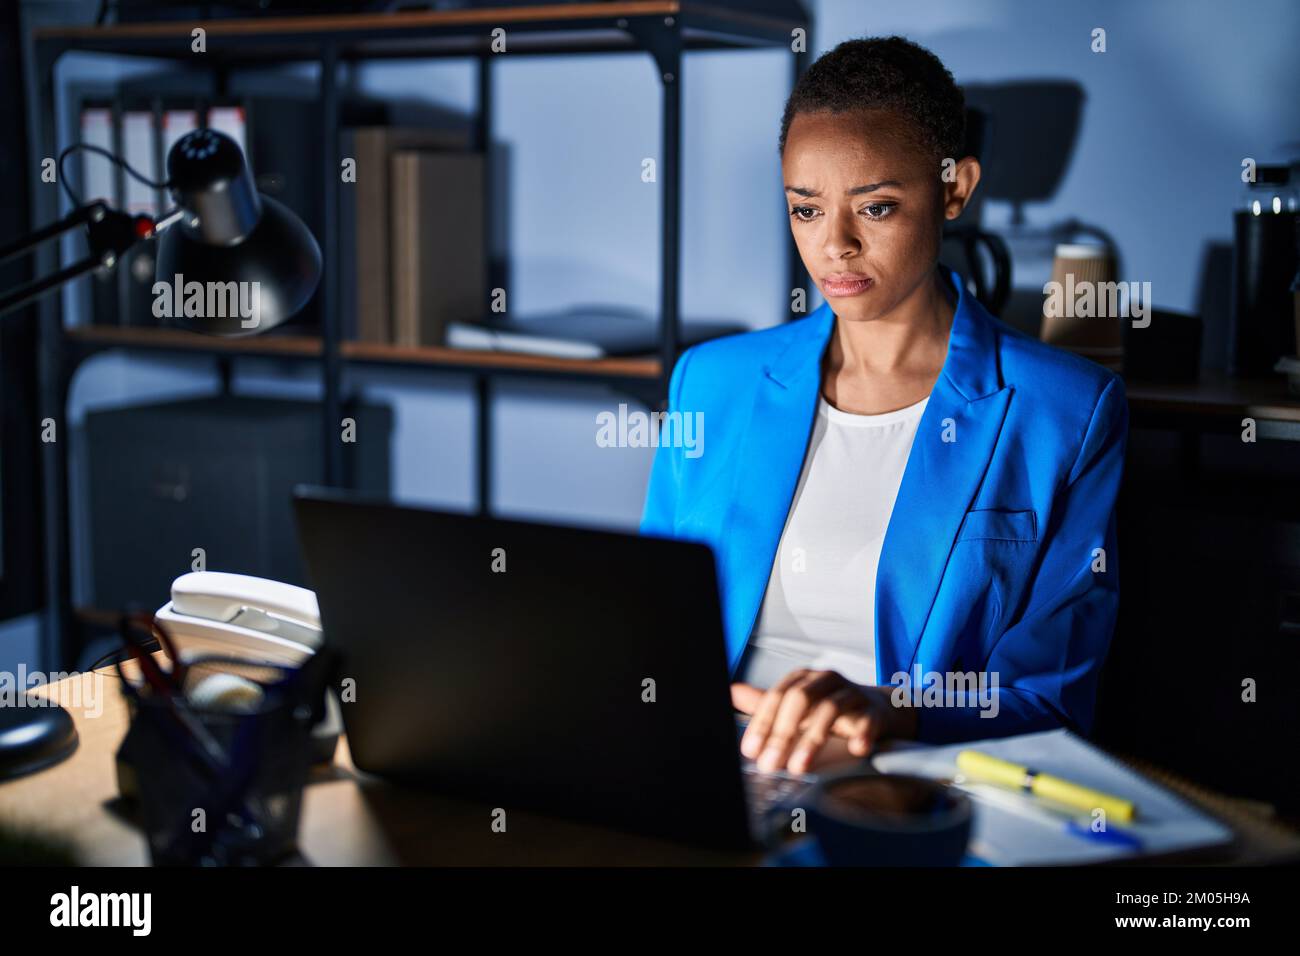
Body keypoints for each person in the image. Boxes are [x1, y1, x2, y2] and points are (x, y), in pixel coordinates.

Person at [640, 36, 1128, 775]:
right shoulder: (710, 384)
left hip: (910, 782)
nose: (834, 245)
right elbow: (653, 633)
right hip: (708, 766)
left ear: (955, 189)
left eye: (876, 207)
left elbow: (1052, 697)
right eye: (806, 209)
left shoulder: (1065, 410)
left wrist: (889, 711)